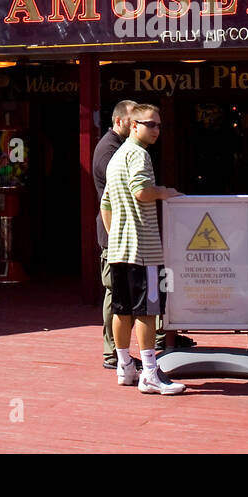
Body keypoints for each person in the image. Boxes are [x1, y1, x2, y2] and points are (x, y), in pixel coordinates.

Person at [100, 103, 186, 395]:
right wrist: (166, 192)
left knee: (121, 309)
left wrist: (115, 236)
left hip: (119, 249)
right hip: (144, 249)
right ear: (133, 125)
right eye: (150, 124)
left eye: (159, 125)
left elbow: (106, 204)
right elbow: (140, 190)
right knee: (148, 311)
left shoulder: (117, 157)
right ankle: (149, 372)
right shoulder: (139, 153)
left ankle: (125, 365)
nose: (156, 130)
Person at [92, 99, 138, 369]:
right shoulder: (109, 149)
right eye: (132, 121)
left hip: (123, 229)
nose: (136, 126)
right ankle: (112, 352)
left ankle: (122, 350)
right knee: (114, 291)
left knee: (127, 291)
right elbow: (117, 191)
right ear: (119, 121)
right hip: (114, 231)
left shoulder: (120, 146)